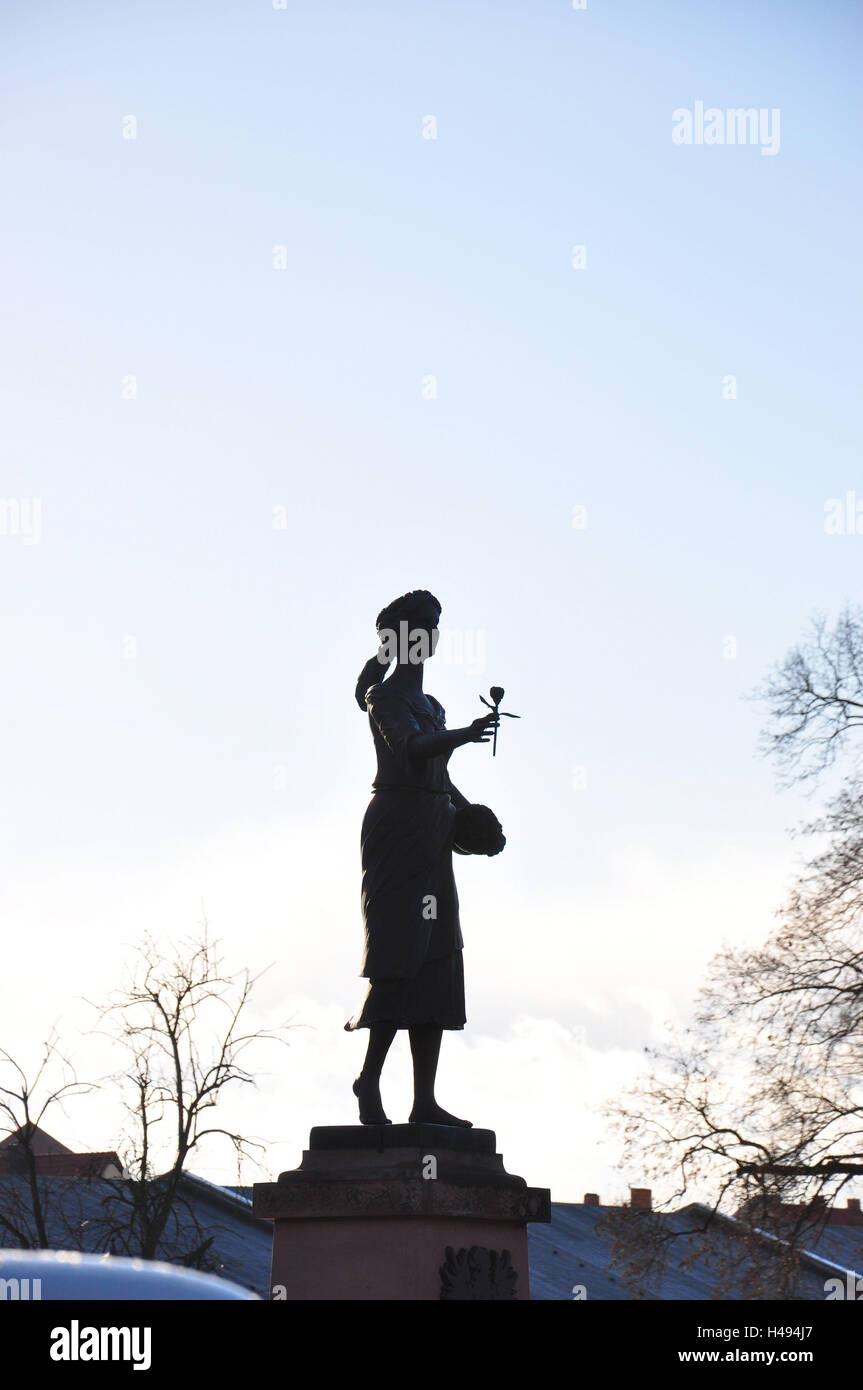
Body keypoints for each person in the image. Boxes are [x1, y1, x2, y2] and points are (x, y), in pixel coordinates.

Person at [345, 589, 498, 1127]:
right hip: (396, 829)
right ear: (400, 636)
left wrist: (472, 813)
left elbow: (440, 776)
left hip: (432, 828)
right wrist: (463, 735)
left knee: (437, 955)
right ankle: (369, 1080)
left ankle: (423, 1101)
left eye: (436, 625)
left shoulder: (432, 706)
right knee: (399, 956)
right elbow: (410, 752)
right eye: (423, 625)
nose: (431, 634)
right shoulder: (384, 700)